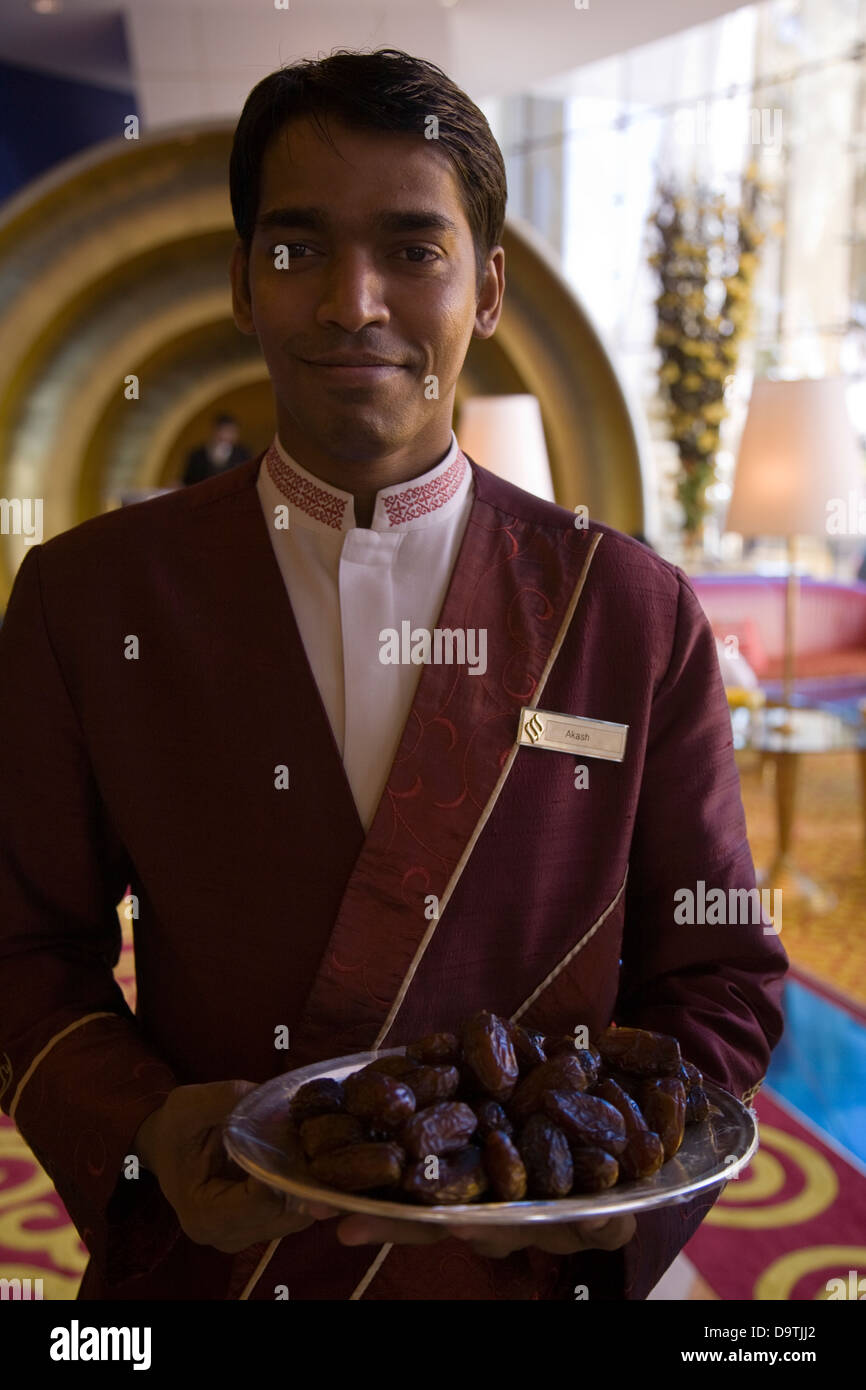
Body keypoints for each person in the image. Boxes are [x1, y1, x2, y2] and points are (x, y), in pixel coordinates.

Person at [0, 48, 787, 1302]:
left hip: (522, 1273)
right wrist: (144, 1129)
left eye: (411, 249)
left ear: (485, 290)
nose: (349, 300)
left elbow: (719, 971)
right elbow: (21, 946)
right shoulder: (90, 600)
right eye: (296, 248)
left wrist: (620, 1192)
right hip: (216, 1265)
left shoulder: (629, 611)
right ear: (241, 285)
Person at [181, 413, 249, 485]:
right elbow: (188, 480)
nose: (225, 436)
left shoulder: (242, 454)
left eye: (230, 432)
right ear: (214, 431)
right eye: (223, 431)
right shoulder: (197, 454)